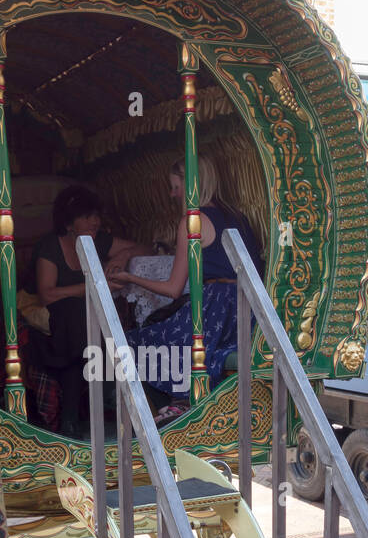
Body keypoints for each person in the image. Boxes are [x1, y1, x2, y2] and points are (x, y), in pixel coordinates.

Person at [109, 157, 261, 419]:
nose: (172, 194)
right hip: (249, 309)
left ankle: (174, 405)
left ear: (190, 186)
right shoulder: (240, 217)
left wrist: (129, 277)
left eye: (175, 187)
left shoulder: (192, 221)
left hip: (216, 309)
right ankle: (180, 399)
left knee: (132, 344)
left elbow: (172, 289)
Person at [34, 185, 147, 438]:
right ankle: (86, 409)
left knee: (90, 320)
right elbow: (47, 294)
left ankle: (76, 417)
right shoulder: (50, 246)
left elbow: (145, 248)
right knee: (78, 317)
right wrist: (96, 285)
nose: (95, 221)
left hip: (82, 323)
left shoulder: (99, 240)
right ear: (69, 222)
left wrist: (125, 254)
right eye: (87, 216)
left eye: (96, 215)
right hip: (58, 316)